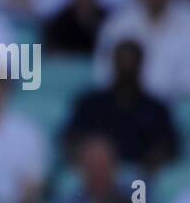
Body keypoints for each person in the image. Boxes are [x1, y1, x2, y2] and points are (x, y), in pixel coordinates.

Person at [63, 39, 178, 172]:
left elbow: (169, 146)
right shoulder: (90, 104)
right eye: (122, 61)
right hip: (97, 174)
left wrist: (153, 162)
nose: (127, 67)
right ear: (114, 62)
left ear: (140, 64)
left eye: (131, 61)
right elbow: (72, 139)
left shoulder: (157, 108)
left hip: (143, 176)